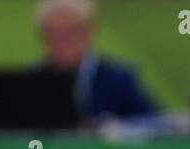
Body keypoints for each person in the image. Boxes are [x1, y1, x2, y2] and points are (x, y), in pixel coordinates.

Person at [32, 0, 160, 123]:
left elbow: (157, 122)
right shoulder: (33, 81)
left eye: (69, 33)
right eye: (53, 34)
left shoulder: (117, 79)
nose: (61, 43)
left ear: (88, 31)